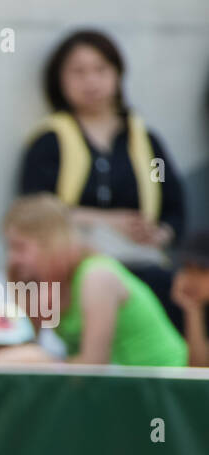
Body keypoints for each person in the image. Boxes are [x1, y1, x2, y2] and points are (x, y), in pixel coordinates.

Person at [18, 29, 187, 331]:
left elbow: (173, 205)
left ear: (117, 74)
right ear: (59, 79)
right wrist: (108, 220)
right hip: (78, 264)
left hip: (144, 263)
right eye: (78, 72)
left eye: (100, 69)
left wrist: (160, 233)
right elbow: (31, 210)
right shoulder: (49, 141)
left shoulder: (146, 141)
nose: (90, 81)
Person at [3, 194, 186, 366]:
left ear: (51, 243)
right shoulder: (49, 287)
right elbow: (26, 348)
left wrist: (44, 363)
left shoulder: (96, 276)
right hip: (127, 391)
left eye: (20, 248)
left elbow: (94, 367)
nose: (13, 259)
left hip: (167, 388)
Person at [170, 231, 209, 368]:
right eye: (188, 269)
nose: (193, 279)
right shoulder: (176, 304)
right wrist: (193, 311)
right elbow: (195, 374)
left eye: (202, 270)